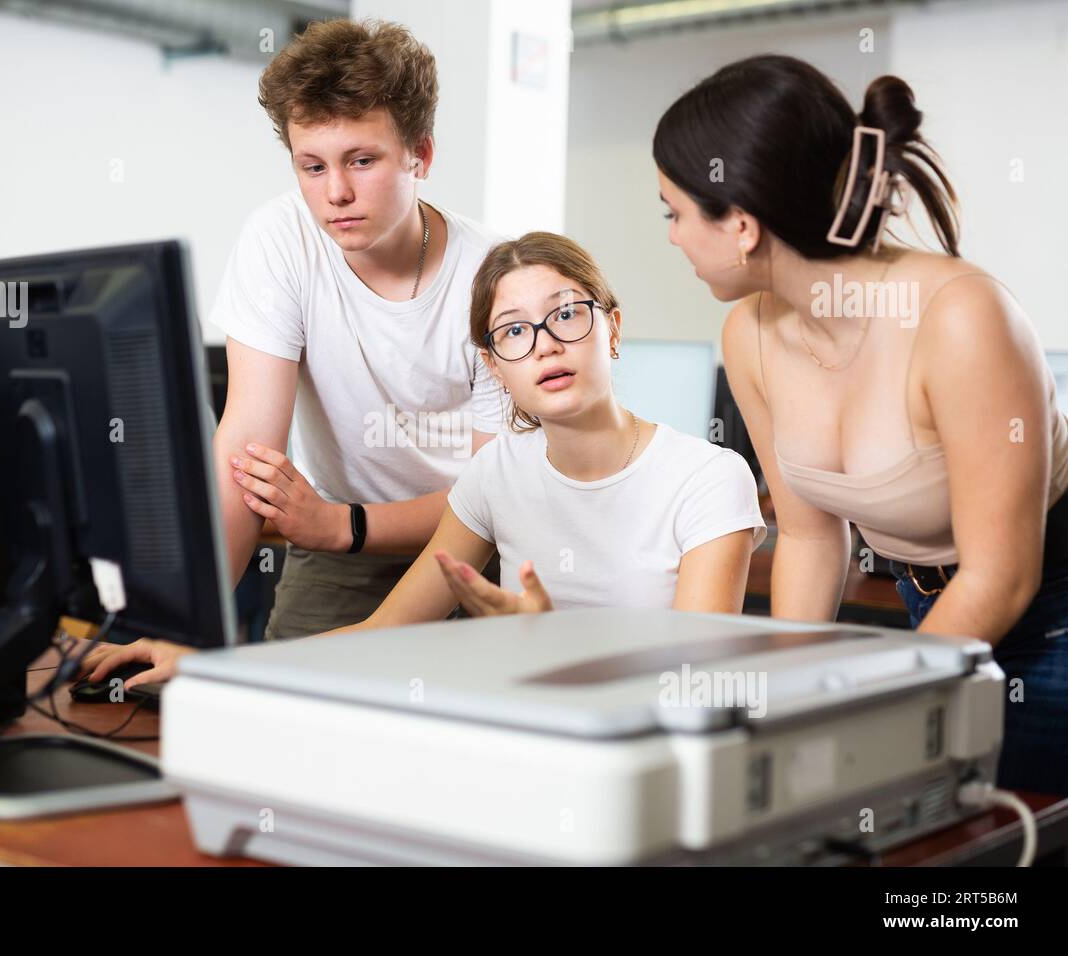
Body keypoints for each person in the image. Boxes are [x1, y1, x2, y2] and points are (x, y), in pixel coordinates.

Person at [80, 233, 766, 685]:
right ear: (494, 368)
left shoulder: (707, 480)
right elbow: (382, 635)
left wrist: (545, 643)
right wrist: (206, 666)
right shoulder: (496, 476)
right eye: (514, 333)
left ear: (611, 329)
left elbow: (698, 689)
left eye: (567, 314)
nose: (547, 345)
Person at [654, 54, 1068, 794]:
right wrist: (792, 691)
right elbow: (813, 535)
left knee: (1008, 827)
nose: (673, 237)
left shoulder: (960, 317)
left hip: (1049, 611)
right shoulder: (748, 333)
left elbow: (1003, 575)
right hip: (934, 606)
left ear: (741, 224)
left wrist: (866, 708)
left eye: (675, 213)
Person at [208, 18, 505, 638]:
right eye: (311, 167)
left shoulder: (495, 273)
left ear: (420, 155)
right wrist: (190, 621)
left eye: (361, 160)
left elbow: (494, 494)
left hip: (482, 540)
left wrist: (344, 523)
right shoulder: (278, 239)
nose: (335, 193)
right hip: (338, 548)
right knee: (287, 709)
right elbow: (247, 445)